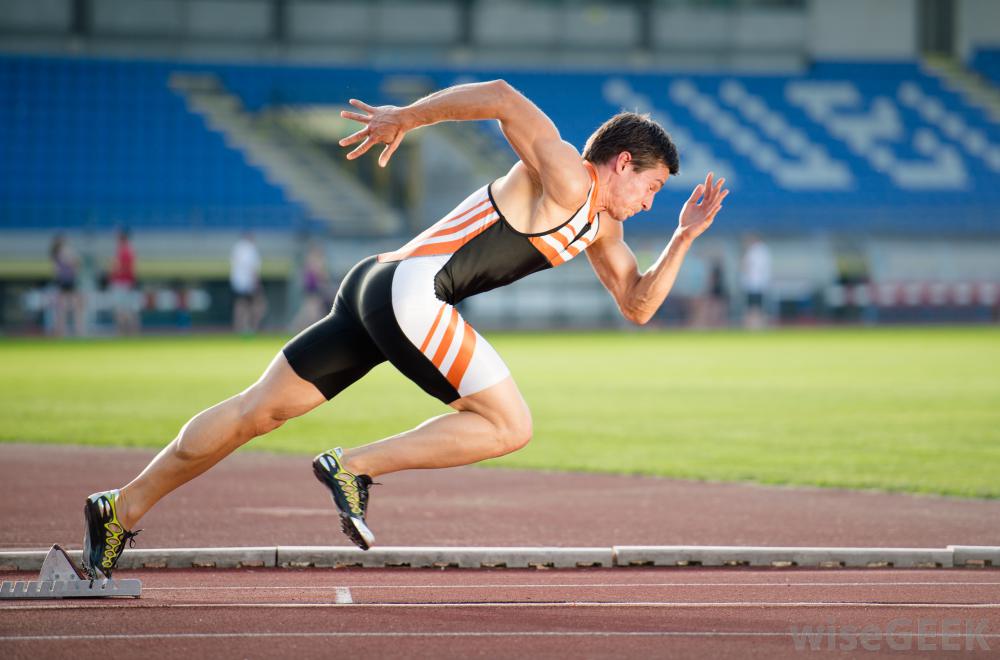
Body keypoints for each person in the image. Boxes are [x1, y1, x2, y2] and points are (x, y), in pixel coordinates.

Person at [81, 79, 728, 579]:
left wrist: (681, 237)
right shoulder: (565, 174)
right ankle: (354, 468)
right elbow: (502, 98)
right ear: (620, 163)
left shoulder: (602, 229)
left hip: (374, 286)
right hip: (412, 293)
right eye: (653, 187)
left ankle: (122, 508)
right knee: (510, 425)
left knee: (258, 411)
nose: (651, 202)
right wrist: (405, 118)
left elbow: (638, 303)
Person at [49, 234, 85, 337]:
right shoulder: (62, 252)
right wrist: (74, 260)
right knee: (71, 307)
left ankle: (65, 329)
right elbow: (75, 262)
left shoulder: (57, 253)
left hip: (65, 281)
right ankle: (74, 330)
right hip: (68, 281)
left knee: (65, 307)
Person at [230, 232, 266, 334]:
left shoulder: (237, 247)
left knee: (241, 306)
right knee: (257, 305)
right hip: (248, 283)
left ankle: (240, 327)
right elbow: (252, 268)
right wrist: (256, 283)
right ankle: (251, 327)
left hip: (237, 283)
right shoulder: (250, 249)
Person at [109, 229, 140, 335]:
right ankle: (130, 331)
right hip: (125, 283)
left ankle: (124, 332)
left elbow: (123, 269)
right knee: (127, 309)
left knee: (122, 310)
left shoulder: (124, 251)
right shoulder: (127, 251)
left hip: (121, 283)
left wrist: (115, 269)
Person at [741, 234, 771, 330]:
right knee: (757, 306)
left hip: (753, 283)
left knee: (753, 307)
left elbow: (746, 266)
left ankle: (754, 325)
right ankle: (757, 324)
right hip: (760, 283)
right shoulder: (763, 250)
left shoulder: (754, 251)